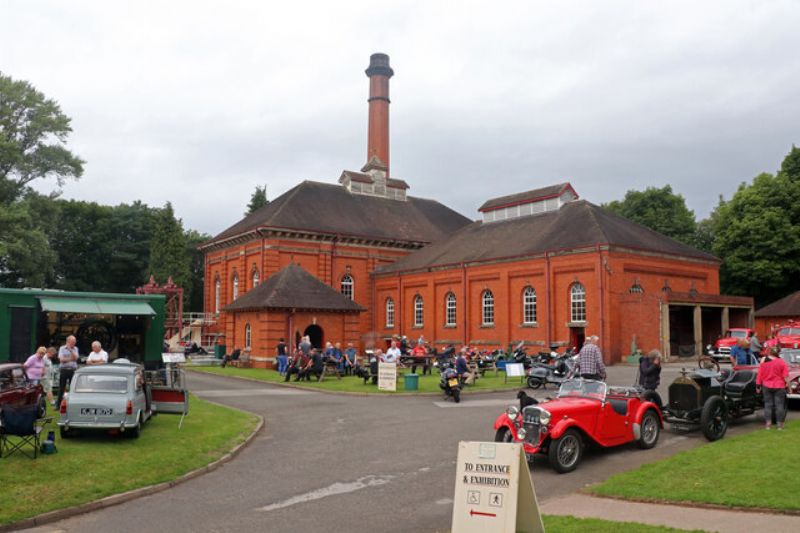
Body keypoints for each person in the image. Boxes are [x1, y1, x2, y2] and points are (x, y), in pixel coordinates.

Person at [756, 346, 789, 430]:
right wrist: (788, 385)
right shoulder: (782, 362)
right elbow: (785, 376)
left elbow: (759, 375)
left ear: (769, 352)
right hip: (779, 385)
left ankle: (768, 424)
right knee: (779, 405)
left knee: (768, 405)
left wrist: (758, 386)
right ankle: (779, 425)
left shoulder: (764, 362)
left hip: (766, 385)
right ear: (778, 353)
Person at [57, 335, 80, 408]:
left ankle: (72, 404)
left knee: (72, 388)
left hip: (73, 371)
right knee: (61, 388)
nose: (74, 343)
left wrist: (70, 350)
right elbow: (61, 360)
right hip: (64, 370)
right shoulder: (62, 348)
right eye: (73, 341)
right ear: (68, 341)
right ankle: (58, 405)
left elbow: (76, 358)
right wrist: (71, 359)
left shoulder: (75, 348)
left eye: (75, 341)